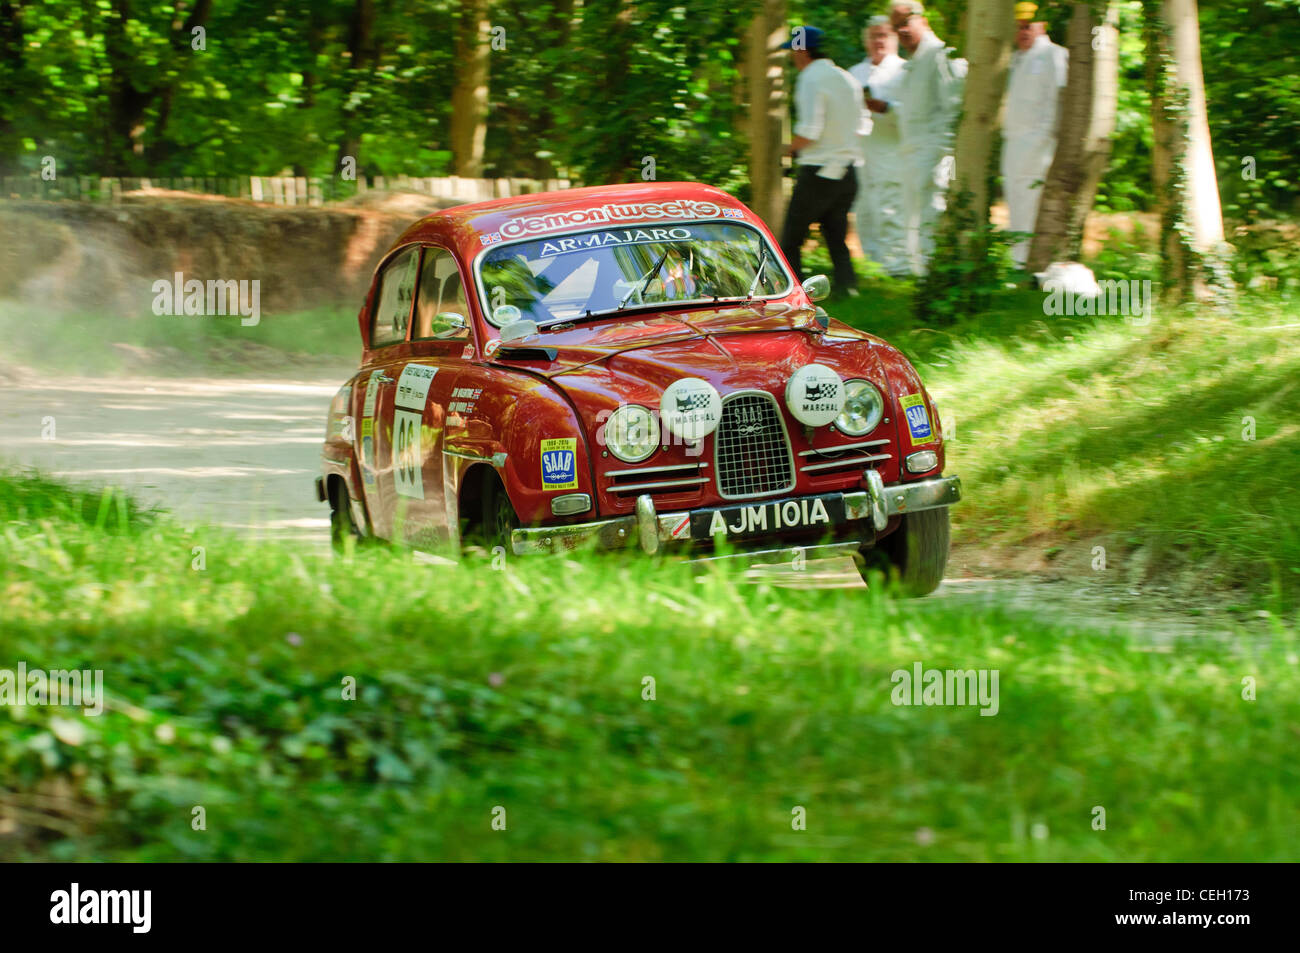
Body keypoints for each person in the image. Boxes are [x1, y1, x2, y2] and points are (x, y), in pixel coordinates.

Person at [880, 2, 965, 276]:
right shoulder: (912, 65)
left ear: (923, 19)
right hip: (912, 156)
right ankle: (921, 274)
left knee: (932, 216)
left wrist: (944, 160)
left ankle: (935, 274)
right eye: (896, 26)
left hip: (936, 157)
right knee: (914, 220)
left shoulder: (941, 55)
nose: (902, 30)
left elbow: (954, 109)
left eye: (906, 21)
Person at [778, 26, 864, 297]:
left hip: (819, 172)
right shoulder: (846, 77)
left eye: (793, 51)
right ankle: (848, 287)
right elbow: (862, 125)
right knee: (835, 234)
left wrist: (787, 150)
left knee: (791, 238)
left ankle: (795, 294)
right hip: (848, 171)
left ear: (801, 50)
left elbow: (810, 131)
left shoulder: (810, 79)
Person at [1002, 2, 1069, 268]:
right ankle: (1018, 262)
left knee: (1032, 204)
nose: (1023, 32)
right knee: (1015, 203)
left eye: (1028, 26)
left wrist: (1043, 139)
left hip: (1038, 146)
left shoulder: (1053, 55)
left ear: (1041, 25)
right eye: (1018, 27)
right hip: (1014, 144)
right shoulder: (1016, 59)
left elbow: (1057, 101)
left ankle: (1031, 264)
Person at [849, 17, 908, 276]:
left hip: (892, 152)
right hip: (862, 152)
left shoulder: (906, 71)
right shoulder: (854, 73)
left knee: (890, 208)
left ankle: (897, 267)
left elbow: (915, 114)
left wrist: (884, 107)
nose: (878, 41)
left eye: (884, 34)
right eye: (873, 35)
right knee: (865, 211)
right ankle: (873, 267)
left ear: (894, 38)